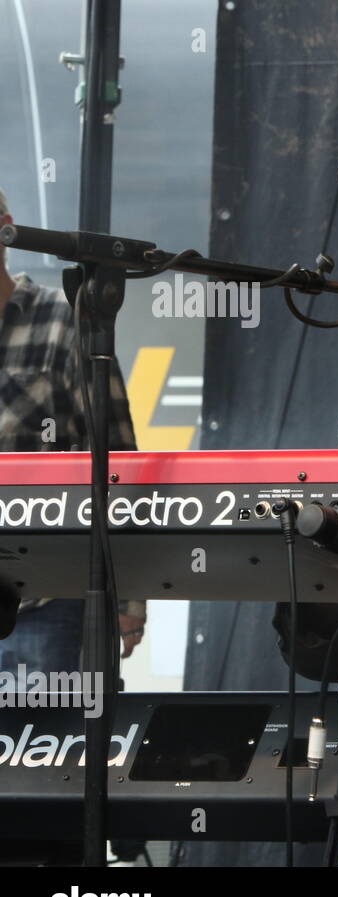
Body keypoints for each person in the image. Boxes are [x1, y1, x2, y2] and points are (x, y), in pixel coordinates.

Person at [0, 185, 145, 675]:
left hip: (44, 600)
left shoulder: (63, 321)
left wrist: (129, 596)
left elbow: (118, 459)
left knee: (47, 747)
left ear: (7, 225)